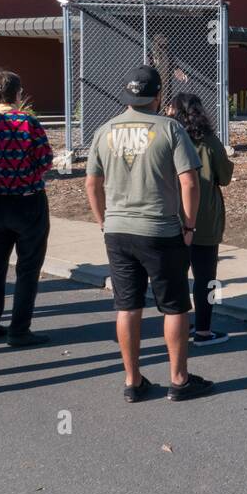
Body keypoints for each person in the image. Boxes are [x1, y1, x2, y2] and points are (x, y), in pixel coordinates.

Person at [85, 64, 211, 403]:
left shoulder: (104, 130)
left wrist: (102, 220)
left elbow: (92, 183)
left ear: (127, 96)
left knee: (127, 306)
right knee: (175, 308)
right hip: (160, 230)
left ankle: (132, 380)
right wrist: (189, 225)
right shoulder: (169, 129)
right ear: (158, 96)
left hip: (117, 230)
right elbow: (189, 181)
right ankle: (179, 379)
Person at [0, 68, 53, 347]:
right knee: (28, 268)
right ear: (17, 93)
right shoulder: (28, 123)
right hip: (27, 200)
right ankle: (19, 329)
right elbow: (45, 161)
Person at [163, 92, 233, 346]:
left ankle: (178, 323)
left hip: (171, 216)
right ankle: (204, 329)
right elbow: (224, 177)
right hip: (204, 218)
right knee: (207, 278)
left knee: (177, 275)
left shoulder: (166, 138)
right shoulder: (209, 141)